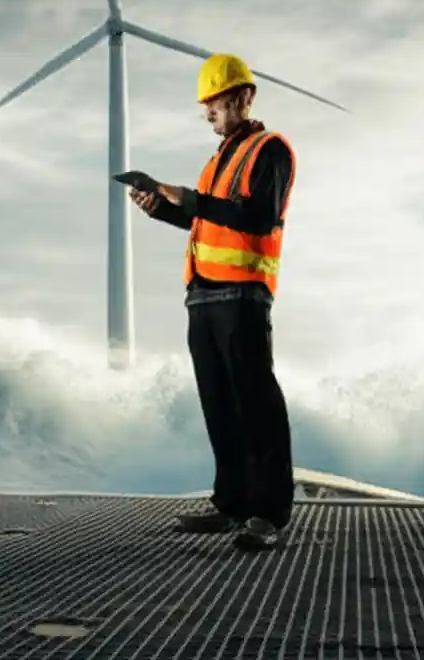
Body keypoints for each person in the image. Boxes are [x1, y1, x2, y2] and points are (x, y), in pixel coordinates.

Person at [120, 53, 295, 552]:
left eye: (215, 102)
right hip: (202, 297)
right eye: (205, 105)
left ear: (244, 96)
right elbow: (209, 221)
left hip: (242, 294)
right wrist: (161, 208)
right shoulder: (217, 160)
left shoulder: (271, 150)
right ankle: (232, 503)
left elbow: (257, 218)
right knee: (218, 404)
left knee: (256, 402)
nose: (209, 113)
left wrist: (186, 196)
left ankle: (269, 513)